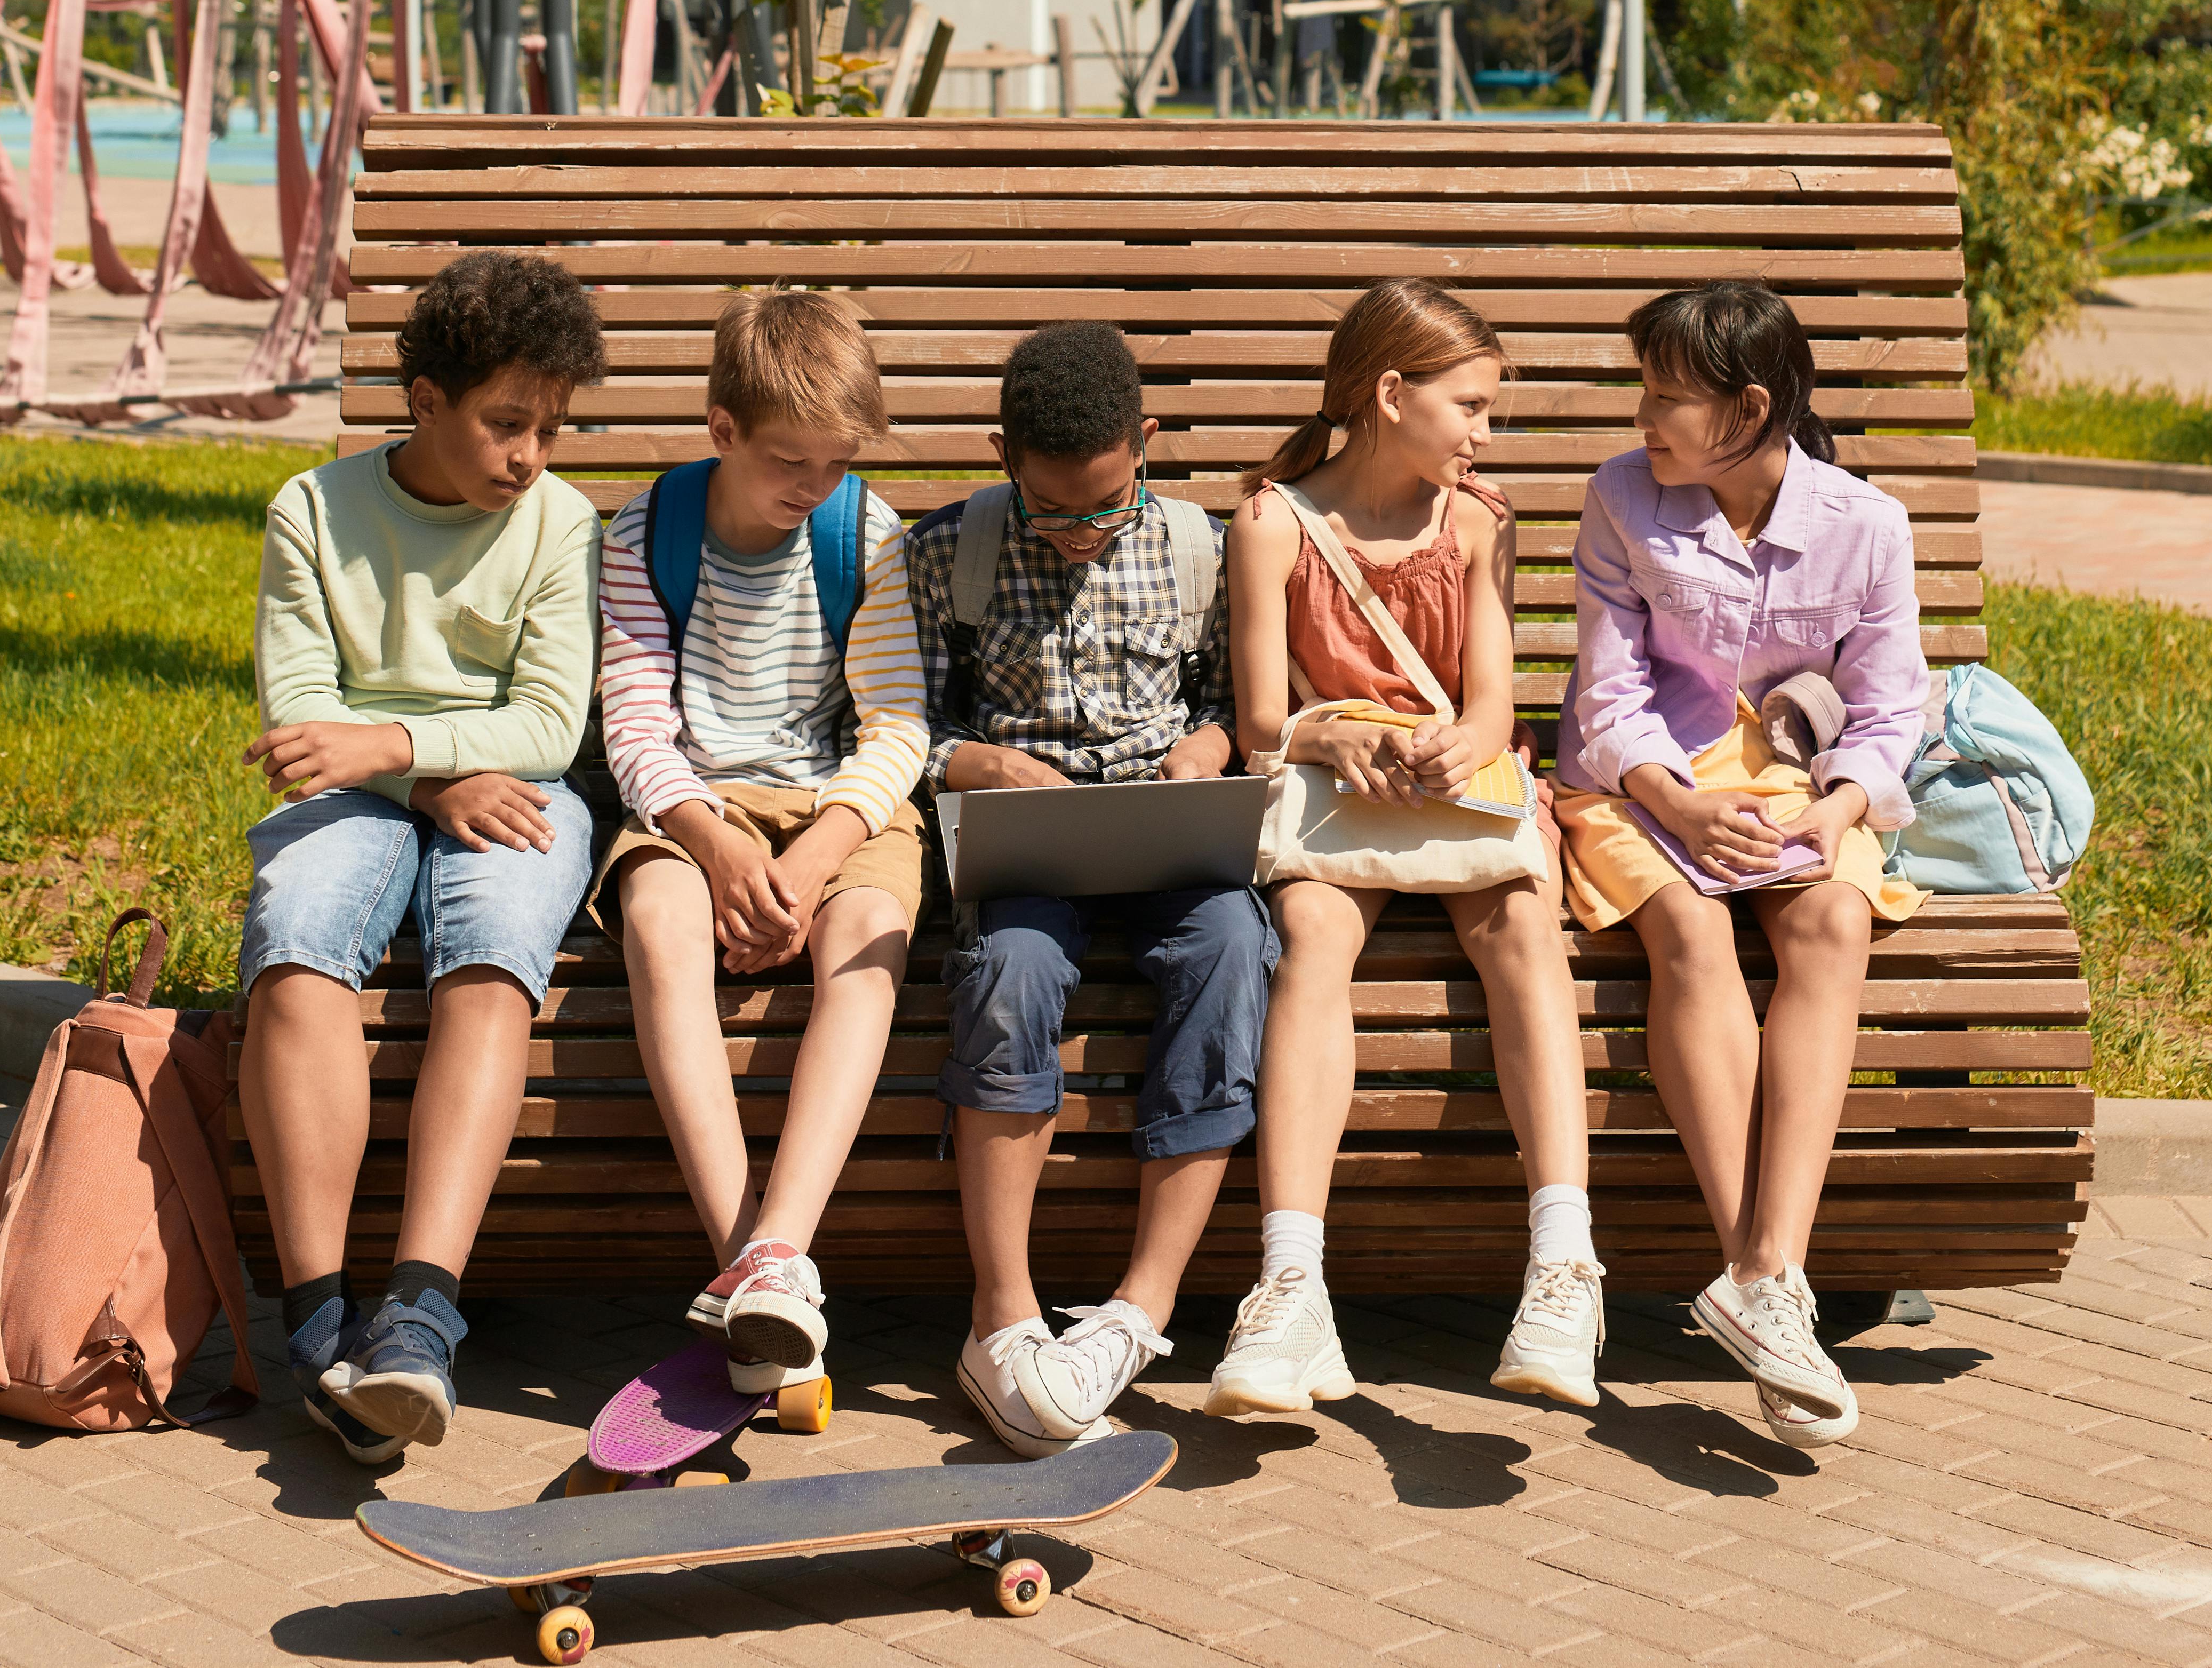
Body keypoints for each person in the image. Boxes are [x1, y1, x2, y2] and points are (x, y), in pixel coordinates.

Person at [238, 248, 608, 1462]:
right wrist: (427, 778)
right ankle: (317, 1321)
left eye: (550, 428)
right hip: (372, 785)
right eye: (506, 424)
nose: (530, 455)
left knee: (492, 954)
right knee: (299, 941)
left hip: (509, 788)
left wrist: (394, 745)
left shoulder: (560, 523)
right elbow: (303, 727)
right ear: (426, 401)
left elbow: (548, 726)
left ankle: (417, 1317)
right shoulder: (312, 510)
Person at [1208, 279, 1600, 1422]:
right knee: (1311, 932)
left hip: (1453, 781)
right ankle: (1291, 1282)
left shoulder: (1477, 521)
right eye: (1470, 406)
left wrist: (1459, 747)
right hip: (1339, 789)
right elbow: (1261, 720)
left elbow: (1492, 704)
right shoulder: (1273, 524)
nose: (1486, 433)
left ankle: (1563, 1266)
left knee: (1521, 922)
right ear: (1390, 394)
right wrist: (1333, 736)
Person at [1554, 277, 1929, 1448]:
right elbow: (1608, 694)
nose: (1643, 418)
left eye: (1665, 396)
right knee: (1689, 930)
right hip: (1642, 780)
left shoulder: (1866, 525)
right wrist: (1674, 798)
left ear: (1750, 409)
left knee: (1832, 921)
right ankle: (1761, 1289)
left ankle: (1767, 1271)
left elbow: (1889, 708)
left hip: (1792, 784)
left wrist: (1840, 807)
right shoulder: (1623, 497)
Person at [905, 320, 1273, 1457]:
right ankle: (1003, 1314)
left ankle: (1137, 1311)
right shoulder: (948, 550)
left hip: (1167, 829)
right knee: (1009, 970)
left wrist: (1210, 748)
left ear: (1146, 442)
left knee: (1233, 949)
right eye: (1052, 511)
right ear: (1002, 456)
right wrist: (972, 763)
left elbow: (1231, 703)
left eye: (1105, 509)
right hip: (1027, 840)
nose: (1078, 536)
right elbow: (903, 720)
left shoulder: (1202, 548)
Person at [591, 285, 929, 1392]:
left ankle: (777, 1248)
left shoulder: (863, 532)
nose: (814, 486)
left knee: (869, 943)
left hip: (838, 807)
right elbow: (635, 728)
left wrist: (813, 858)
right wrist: (720, 847)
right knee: (659, 920)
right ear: (723, 428)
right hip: (694, 802)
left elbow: (896, 725)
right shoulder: (646, 534)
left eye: (837, 462)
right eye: (790, 461)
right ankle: (755, 1265)